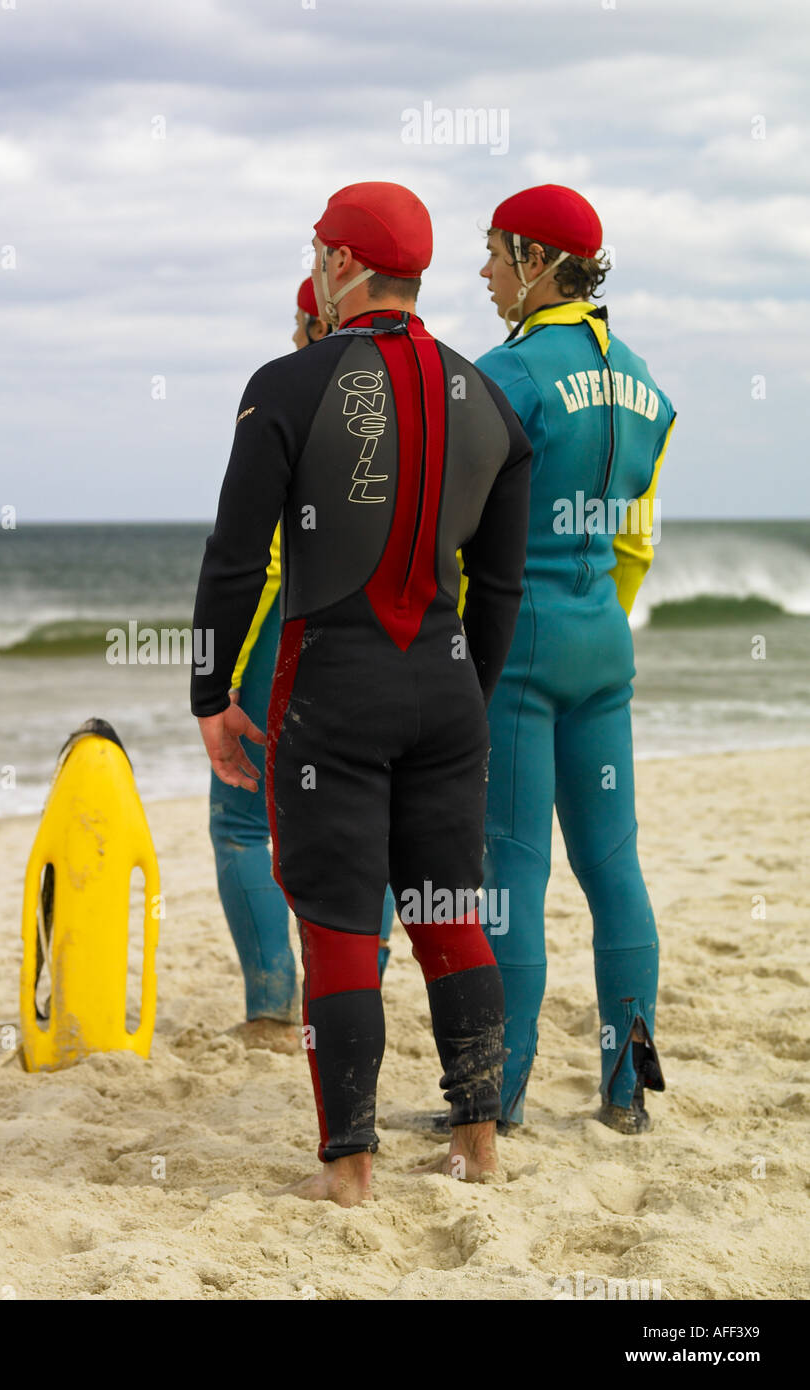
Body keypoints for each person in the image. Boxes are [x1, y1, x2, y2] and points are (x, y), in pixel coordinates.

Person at [192, 182, 532, 1204]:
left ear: (339, 263)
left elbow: (236, 558)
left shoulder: (286, 387)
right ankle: (477, 1143)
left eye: (316, 250)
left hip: (332, 696)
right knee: (447, 912)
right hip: (445, 691)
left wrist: (211, 689)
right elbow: (500, 583)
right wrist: (463, 695)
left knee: (339, 922)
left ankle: (348, 1169)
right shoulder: (492, 404)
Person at [474, 185, 677, 1133]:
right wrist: (602, 619)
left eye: (494, 254)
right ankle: (628, 1093)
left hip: (520, 645)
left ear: (537, 259)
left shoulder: (506, 376)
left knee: (511, 868)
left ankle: (499, 1099)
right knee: (614, 868)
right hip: (604, 640)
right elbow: (635, 539)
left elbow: (456, 529)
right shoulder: (646, 385)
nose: (485, 273)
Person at [215, 281, 396, 1056]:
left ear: (317, 317)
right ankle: (361, 993)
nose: (291, 335)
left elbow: (261, 561)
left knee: (241, 823)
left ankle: (271, 1008)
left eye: (297, 320)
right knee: (374, 828)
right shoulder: (416, 400)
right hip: (392, 634)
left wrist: (221, 672)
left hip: (291, 633)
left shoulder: (292, 397)